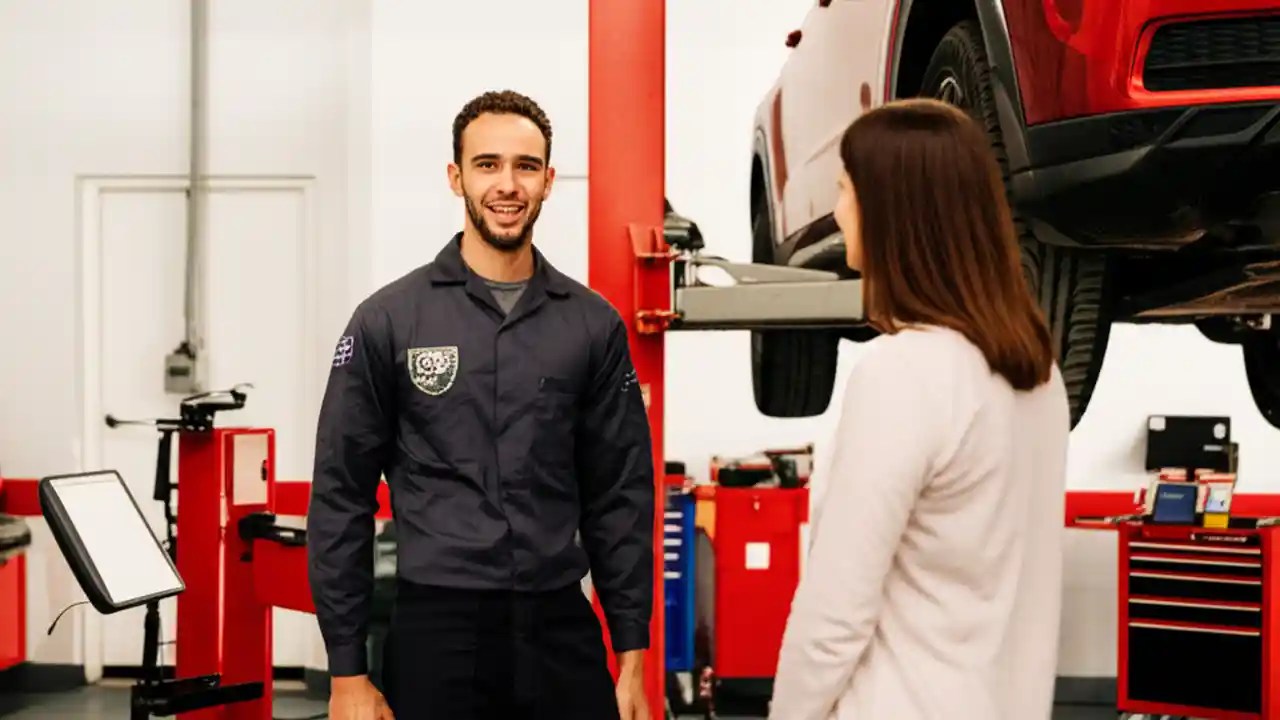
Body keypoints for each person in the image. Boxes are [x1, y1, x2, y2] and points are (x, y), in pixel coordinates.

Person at [307, 89, 655, 720]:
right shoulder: (390, 319)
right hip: (437, 631)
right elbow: (340, 496)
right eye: (488, 164)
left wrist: (632, 654)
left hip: (560, 629)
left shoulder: (591, 325)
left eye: (525, 166)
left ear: (549, 181)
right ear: (456, 176)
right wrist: (346, 672)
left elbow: (620, 495)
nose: (507, 184)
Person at [768, 98, 1070, 720]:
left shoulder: (902, 373)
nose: (838, 212)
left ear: (890, 210)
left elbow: (835, 614)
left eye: (845, 189)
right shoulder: (1039, 376)